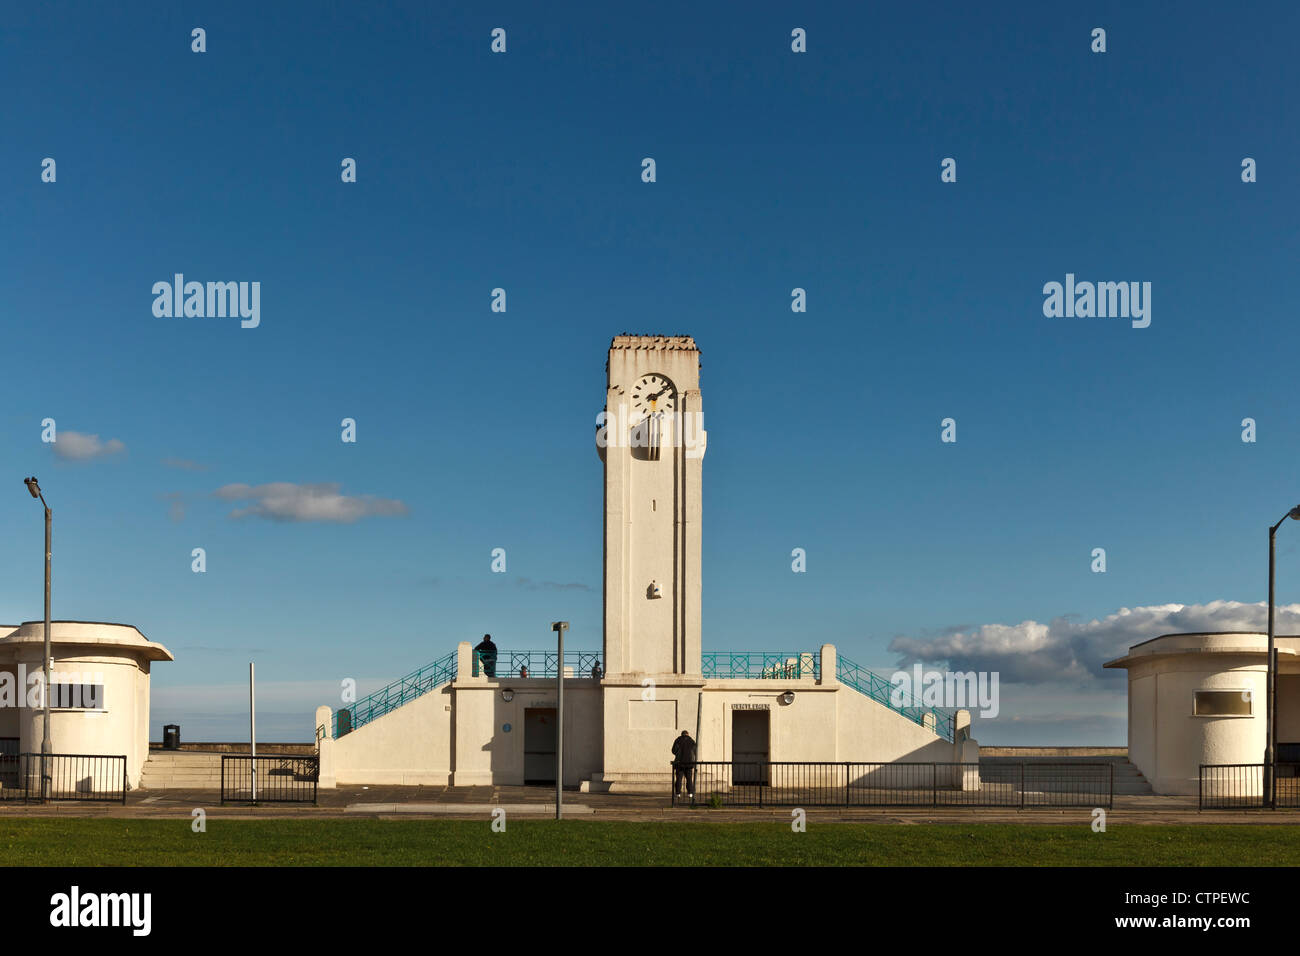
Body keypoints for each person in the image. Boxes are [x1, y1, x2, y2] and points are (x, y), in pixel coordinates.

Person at [671, 730, 696, 801]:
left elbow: (673, 750)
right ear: (688, 734)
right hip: (689, 763)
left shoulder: (678, 740)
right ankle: (690, 793)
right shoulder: (692, 741)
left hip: (679, 763)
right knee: (689, 779)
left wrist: (678, 754)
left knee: (679, 779)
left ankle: (678, 793)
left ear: (682, 734)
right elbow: (695, 751)